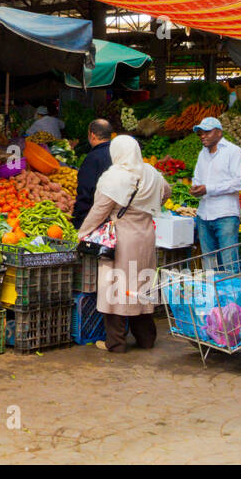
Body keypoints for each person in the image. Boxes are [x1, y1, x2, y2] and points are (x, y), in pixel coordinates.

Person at [75, 135, 170, 353]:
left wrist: (83, 232)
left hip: (122, 236)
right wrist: (146, 208)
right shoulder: (151, 173)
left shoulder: (115, 177)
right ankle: (146, 339)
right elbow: (166, 192)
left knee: (115, 288)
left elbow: (100, 209)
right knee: (142, 286)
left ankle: (115, 342)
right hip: (146, 235)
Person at [189, 116, 241, 272]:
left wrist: (209, 188)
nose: (203, 136)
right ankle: (212, 294)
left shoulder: (233, 151)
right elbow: (197, 177)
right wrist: (195, 188)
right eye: (200, 133)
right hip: (204, 214)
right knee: (209, 263)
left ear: (219, 132)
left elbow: (239, 182)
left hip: (225, 215)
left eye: (207, 132)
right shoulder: (202, 154)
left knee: (229, 262)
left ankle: (233, 295)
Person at [71, 119, 114, 228]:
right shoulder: (117, 153)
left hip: (96, 219)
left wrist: (78, 220)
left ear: (92, 135)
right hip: (114, 216)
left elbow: (85, 192)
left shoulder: (92, 158)